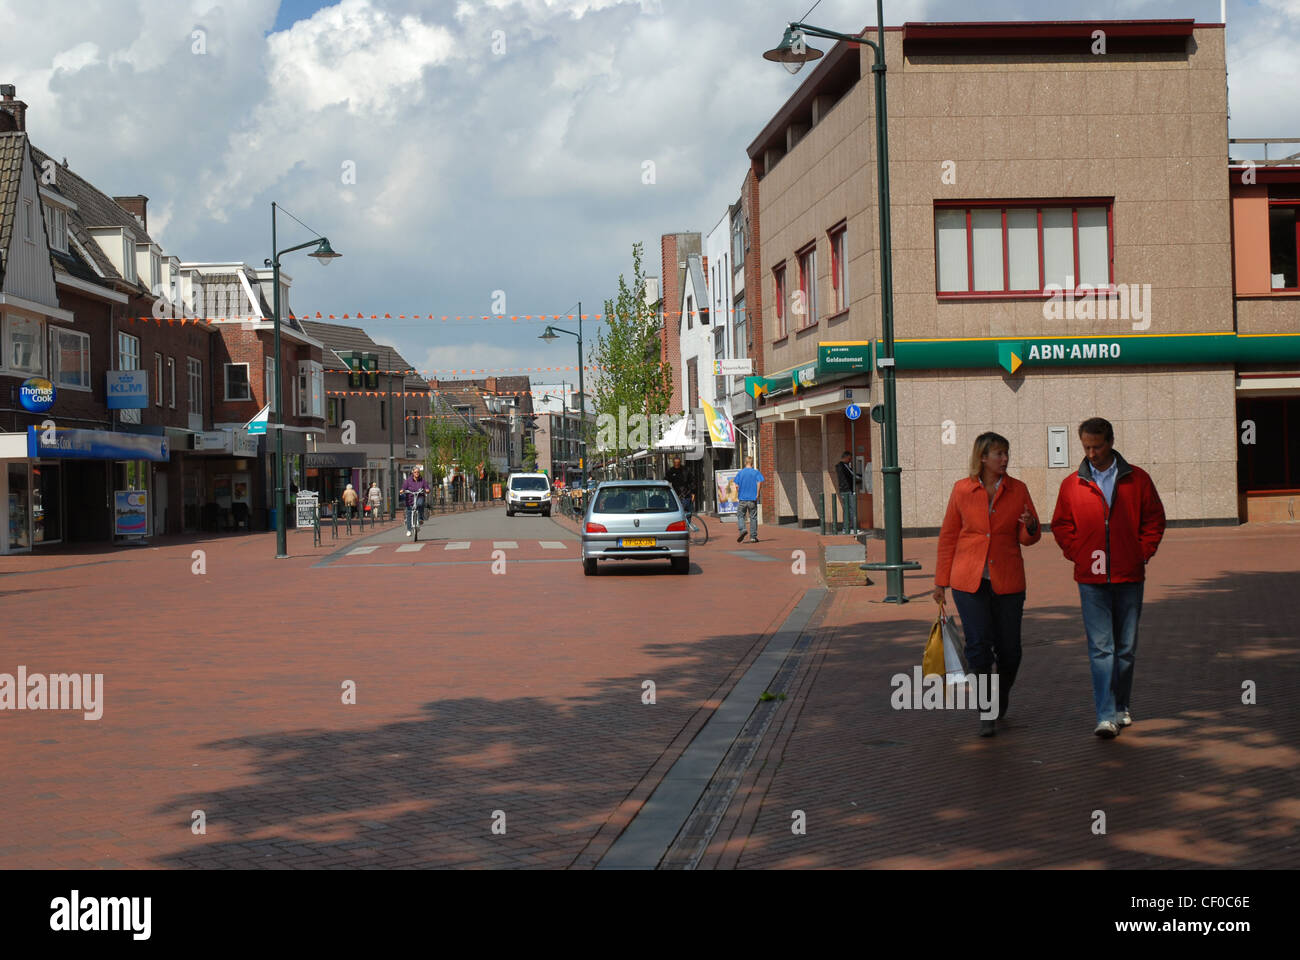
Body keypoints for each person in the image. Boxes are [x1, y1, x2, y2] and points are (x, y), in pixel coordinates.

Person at [1051, 417, 1166, 740]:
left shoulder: (1137, 479)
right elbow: (1061, 524)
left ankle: (1121, 705)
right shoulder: (1072, 484)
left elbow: (1155, 518)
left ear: (1110, 442)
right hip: (1091, 578)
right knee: (1102, 648)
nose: (1091, 453)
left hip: (1129, 574)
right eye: (1086, 447)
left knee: (1126, 648)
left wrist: (1141, 551)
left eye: (1097, 446)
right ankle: (1105, 715)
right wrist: (1078, 551)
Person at [931, 432, 1041, 737]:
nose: (1004, 459)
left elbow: (1027, 537)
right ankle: (986, 708)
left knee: (1010, 651)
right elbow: (949, 537)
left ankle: (1001, 693)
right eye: (998, 454)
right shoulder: (962, 490)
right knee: (979, 648)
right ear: (982, 458)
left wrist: (1031, 525)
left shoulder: (1018, 490)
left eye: (1006, 454)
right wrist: (941, 581)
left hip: (1008, 579)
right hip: (969, 580)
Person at [734, 455, 765, 543]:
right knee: (753, 517)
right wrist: (757, 494)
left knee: (740, 515)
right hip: (752, 498)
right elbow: (759, 482)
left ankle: (742, 529)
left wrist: (739, 491)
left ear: (745, 462)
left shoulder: (741, 473)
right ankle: (753, 537)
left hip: (742, 498)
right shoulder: (756, 472)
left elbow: (736, 485)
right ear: (752, 463)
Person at [835, 451, 861, 535]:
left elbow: (852, 475)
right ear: (845, 457)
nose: (850, 460)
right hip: (846, 490)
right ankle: (850, 528)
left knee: (849, 509)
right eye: (849, 458)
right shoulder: (841, 466)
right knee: (850, 509)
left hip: (848, 489)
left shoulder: (846, 466)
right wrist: (859, 478)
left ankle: (847, 527)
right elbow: (851, 476)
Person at [401, 466, 431, 537]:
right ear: (412, 473)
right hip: (410, 498)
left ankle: (420, 518)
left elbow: (427, 488)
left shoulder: (422, 480)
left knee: (420, 504)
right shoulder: (408, 481)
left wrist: (427, 490)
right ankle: (409, 530)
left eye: (418, 472)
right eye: (415, 472)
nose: (416, 473)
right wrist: (402, 490)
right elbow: (403, 488)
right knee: (409, 513)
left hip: (419, 496)